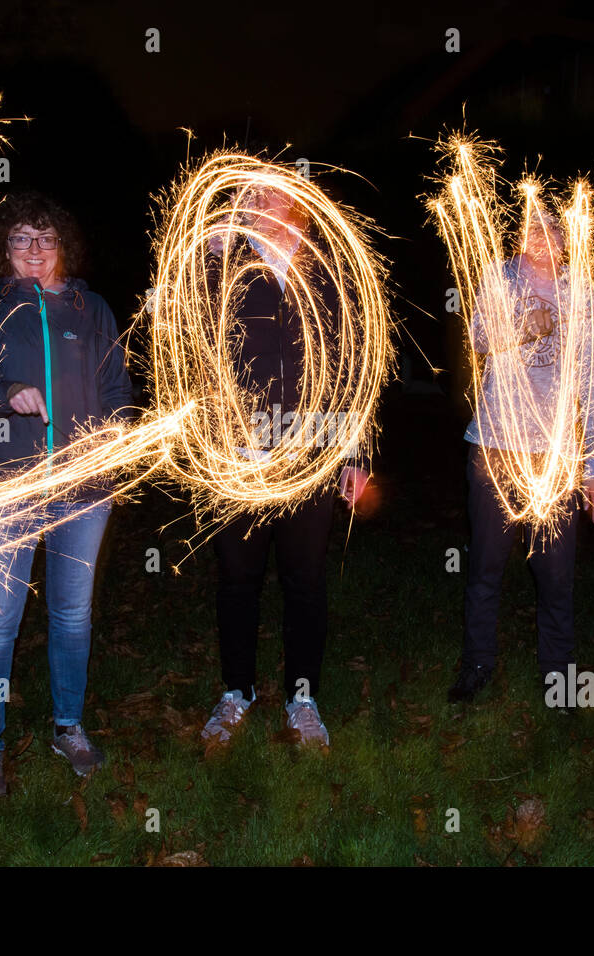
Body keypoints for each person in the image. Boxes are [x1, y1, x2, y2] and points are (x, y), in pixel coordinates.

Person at [0, 191, 133, 804]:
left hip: (84, 488)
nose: (34, 251)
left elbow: (116, 386)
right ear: (3, 250)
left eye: (45, 239)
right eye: (20, 240)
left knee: (71, 616)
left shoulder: (92, 310)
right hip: (7, 486)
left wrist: (115, 436)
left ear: (63, 246)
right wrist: (5, 391)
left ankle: (69, 727)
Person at [198, 183, 371, 750]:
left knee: (304, 582)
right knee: (239, 580)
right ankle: (237, 691)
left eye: (274, 199)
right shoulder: (221, 266)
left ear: (295, 205)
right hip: (240, 459)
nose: (264, 208)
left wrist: (356, 453)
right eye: (253, 200)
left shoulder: (328, 274)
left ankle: (302, 698)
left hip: (312, 454)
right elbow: (187, 340)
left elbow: (353, 365)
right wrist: (208, 257)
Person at [448, 209, 594, 704]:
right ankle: (477, 665)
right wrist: (522, 328)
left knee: (556, 573)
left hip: (556, 456)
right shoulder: (499, 277)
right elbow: (475, 340)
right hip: (495, 449)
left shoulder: (585, 295)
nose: (540, 239)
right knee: (486, 568)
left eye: (550, 230)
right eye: (530, 229)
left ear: (565, 238)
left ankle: (558, 675)